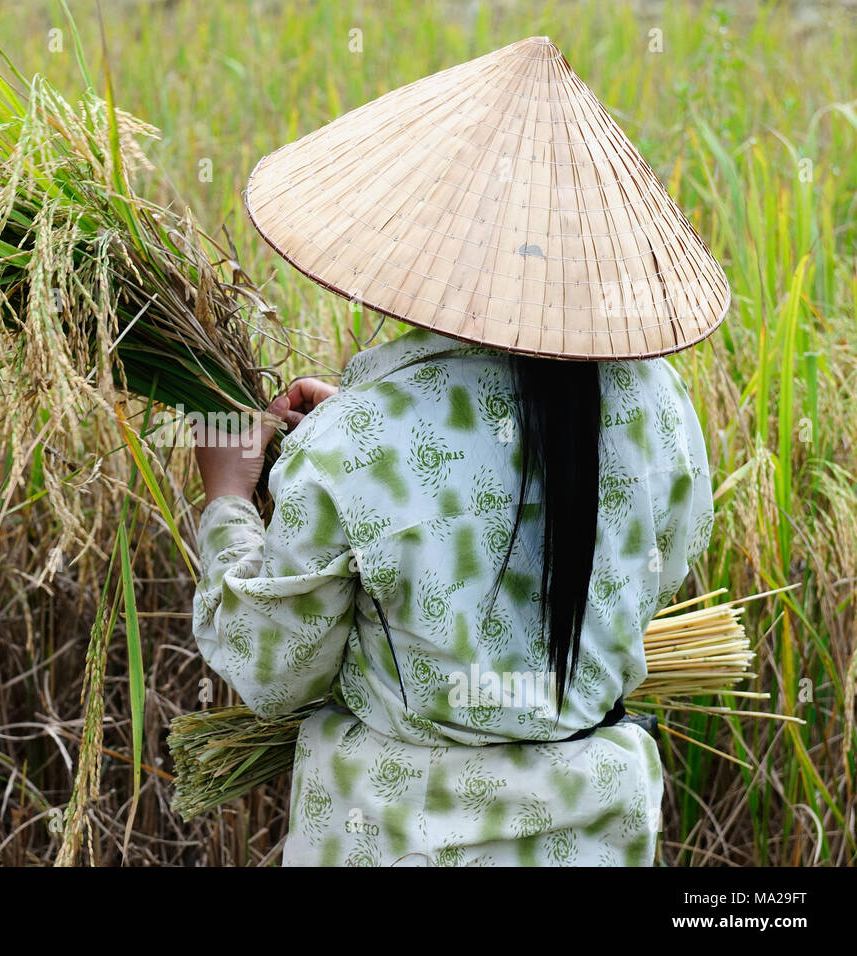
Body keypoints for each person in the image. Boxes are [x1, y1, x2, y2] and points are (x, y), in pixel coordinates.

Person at [189, 36, 728, 866]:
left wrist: (228, 500)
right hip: (597, 837)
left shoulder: (361, 441)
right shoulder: (663, 408)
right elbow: (657, 573)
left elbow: (274, 671)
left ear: (429, 239)